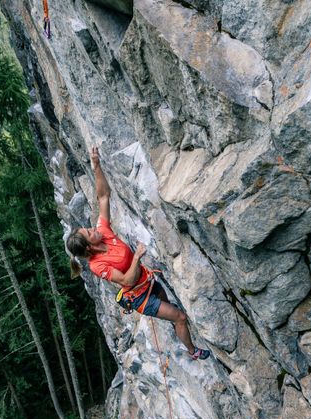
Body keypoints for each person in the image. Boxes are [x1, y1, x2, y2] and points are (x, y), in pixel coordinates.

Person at [67, 145, 212, 360]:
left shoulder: (103, 232)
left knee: (172, 311)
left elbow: (104, 197)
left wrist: (96, 166)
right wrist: (135, 258)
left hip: (148, 280)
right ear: (89, 247)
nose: (93, 228)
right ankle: (193, 351)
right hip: (140, 297)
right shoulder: (97, 265)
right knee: (180, 316)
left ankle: (177, 328)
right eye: (89, 232)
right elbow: (126, 279)